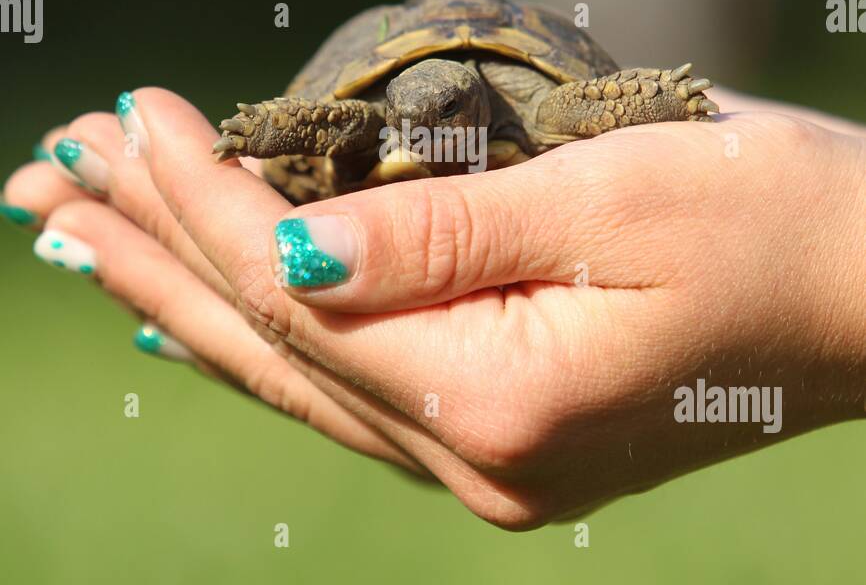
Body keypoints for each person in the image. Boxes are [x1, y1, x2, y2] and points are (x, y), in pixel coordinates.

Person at [2, 87, 864, 529]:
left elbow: (596, 112)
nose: (420, 132)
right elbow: (354, 122)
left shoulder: (545, 111)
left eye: (444, 113)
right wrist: (264, 132)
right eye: (405, 116)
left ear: (475, 104)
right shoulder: (378, 123)